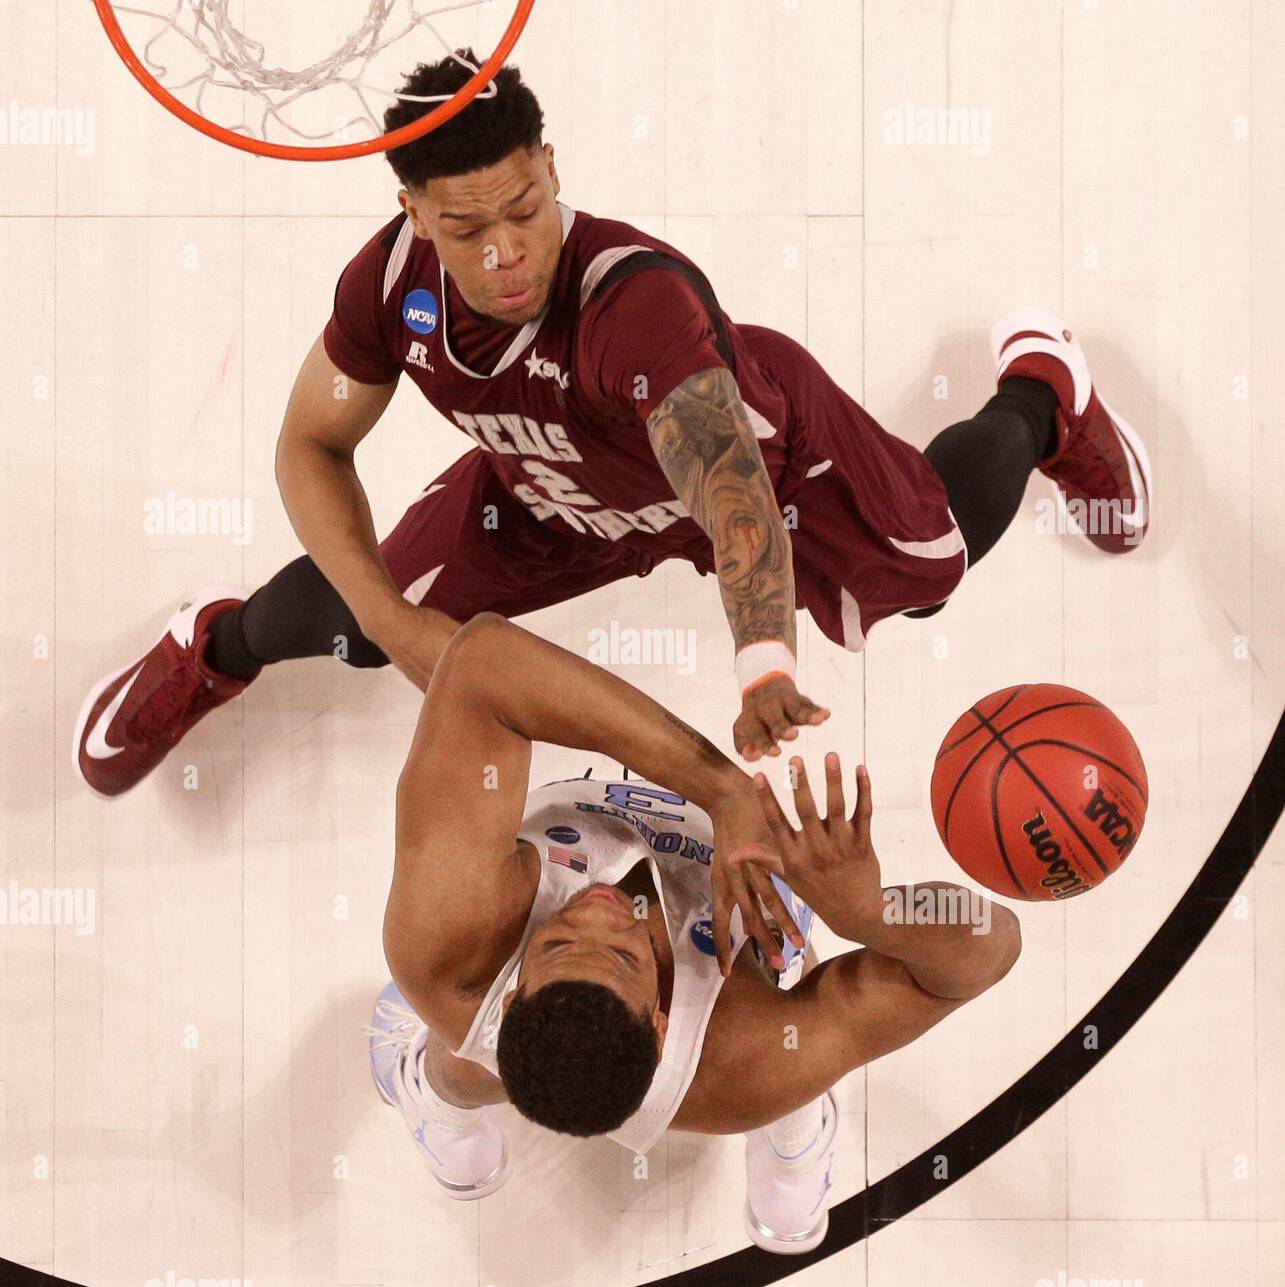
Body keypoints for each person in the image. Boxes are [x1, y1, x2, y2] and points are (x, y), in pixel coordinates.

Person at [73, 48, 1149, 798]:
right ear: (411, 213)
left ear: (551, 171)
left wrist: (762, 662)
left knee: (928, 565)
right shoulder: (391, 281)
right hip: (548, 491)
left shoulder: (637, 309)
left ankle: (1044, 398)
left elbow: (733, 504)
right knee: (361, 621)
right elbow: (311, 445)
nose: (503, 252)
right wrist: (399, 628)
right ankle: (206, 647)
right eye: (464, 227)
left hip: (752, 460)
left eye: (523, 209)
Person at [364, 612, 1020, 1252]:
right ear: (657, 1021)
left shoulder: (448, 945)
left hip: (595, 827)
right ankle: (793, 1133)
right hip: (737, 1010)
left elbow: (484, 659)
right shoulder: (742, 1065)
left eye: (560, 943)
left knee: (467, 1042)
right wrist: (872, 915)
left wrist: (724, 792)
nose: (596, 911)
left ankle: (433, 1088)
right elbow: (989, 950)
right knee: (790, 1050)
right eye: (623, 953)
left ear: (514, 998)